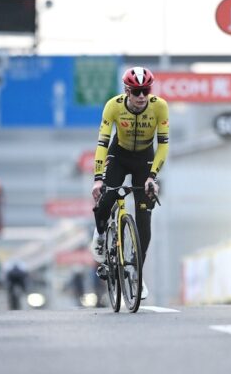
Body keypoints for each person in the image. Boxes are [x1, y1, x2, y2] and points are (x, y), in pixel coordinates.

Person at [89, 66, 169, 301]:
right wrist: (97, 179)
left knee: (144, 220)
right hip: (119, 155)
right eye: (136, 91)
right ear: (127, 92)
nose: (141, 96)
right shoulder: (113, 106)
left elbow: (163, 145)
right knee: (107, 197)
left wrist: (152, 177)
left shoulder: (159, 107)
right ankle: (101, 234)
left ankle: (137, 274)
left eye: (145, 90)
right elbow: (102, 143)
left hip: (144, 159)